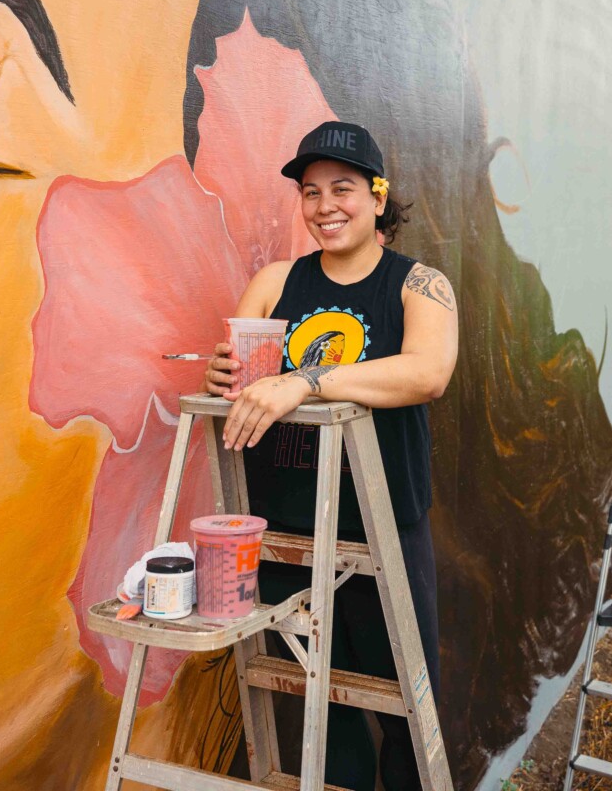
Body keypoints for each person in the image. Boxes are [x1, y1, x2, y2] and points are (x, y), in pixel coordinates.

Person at [204, 120, 459, 791]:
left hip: (382, 529)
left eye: (341, 189)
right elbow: (242, 376)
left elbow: (428, 373)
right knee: (318, 704)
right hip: (285, 531)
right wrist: (224, 379)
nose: (324, 207)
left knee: (403, 701)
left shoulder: (417, 284)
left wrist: (304, 380)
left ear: (377, 196)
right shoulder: (276, 283)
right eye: (310, 193)